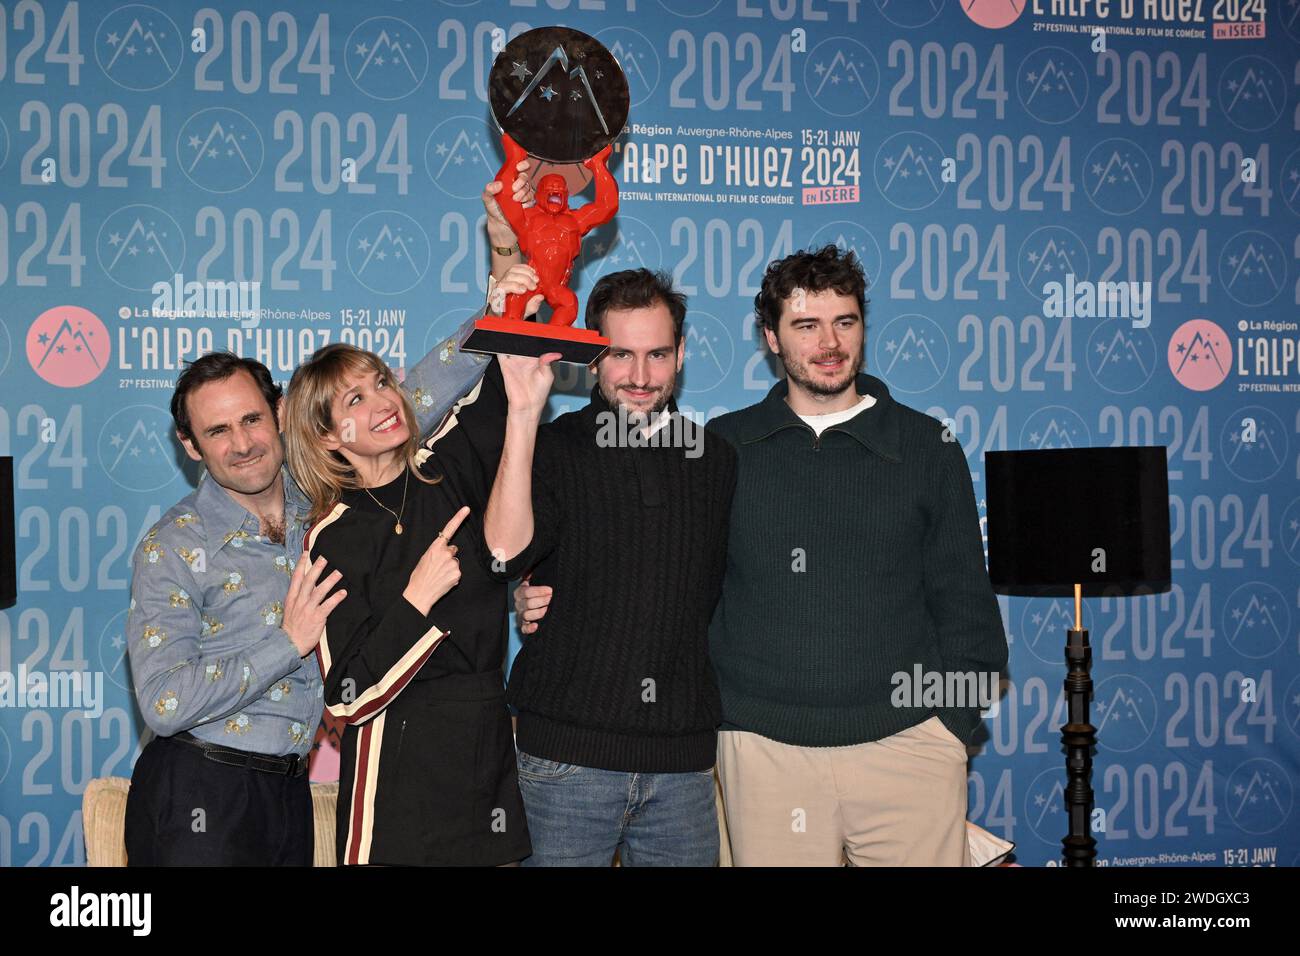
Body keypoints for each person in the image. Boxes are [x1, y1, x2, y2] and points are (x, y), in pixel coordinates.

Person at [516, 245, 1009, 866]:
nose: (828, 342)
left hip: (909, 751)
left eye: (845, 321)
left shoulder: (925, 446)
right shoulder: (721, 450)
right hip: (763, 756)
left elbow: (967, 602)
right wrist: (539, 588)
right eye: (806, 325)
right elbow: (642, 559)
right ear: (772, 338)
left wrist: (948, 732)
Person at [123, 165, 534, 866]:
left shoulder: (324, 504)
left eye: (253, 419)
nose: (243, 442)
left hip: (290, 790)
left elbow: (435, 382)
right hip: (199, 790)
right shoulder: (172, 544)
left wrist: (504, 257)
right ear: (190, 446)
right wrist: (288, 640)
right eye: (217, 432)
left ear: (283, 418)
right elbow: (162, 703)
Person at [483, 268, 737, 867]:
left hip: (683, 772)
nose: (641, 377)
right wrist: (523, 414)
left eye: (657, 354)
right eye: (620, 354)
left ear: (681, 354)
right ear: (592, 356)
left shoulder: (717, 461)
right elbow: (502, 553)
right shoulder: (553, 446)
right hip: (564, 765)